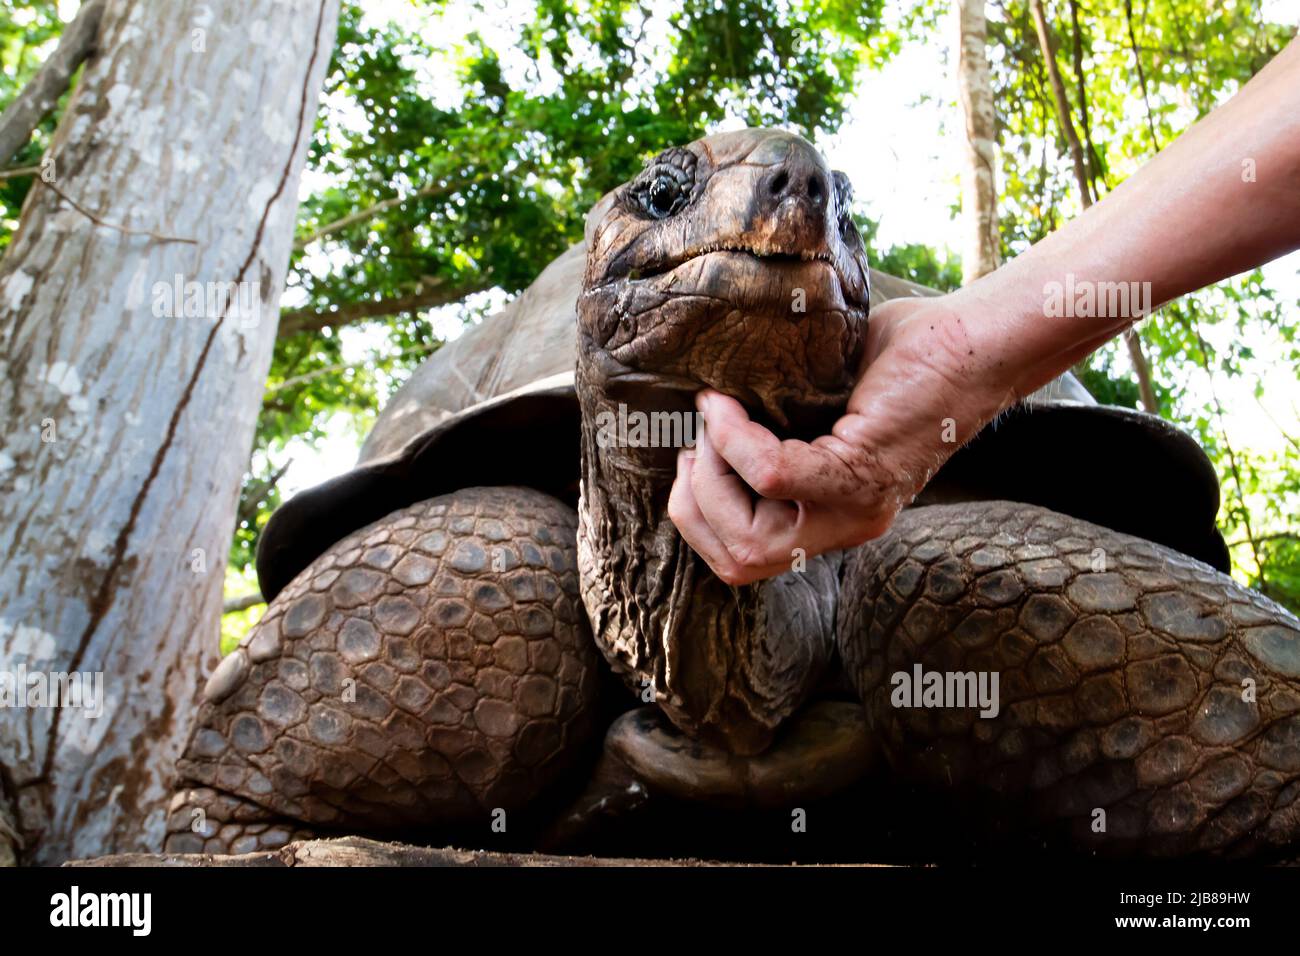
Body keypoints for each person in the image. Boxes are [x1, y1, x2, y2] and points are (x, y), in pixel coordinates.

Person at [669, 36, 1300, 586]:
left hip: (979, 520)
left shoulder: (939, 561)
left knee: (926, 574)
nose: (799, 196)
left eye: (838, 210)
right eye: (667, 195)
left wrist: (963, 354)